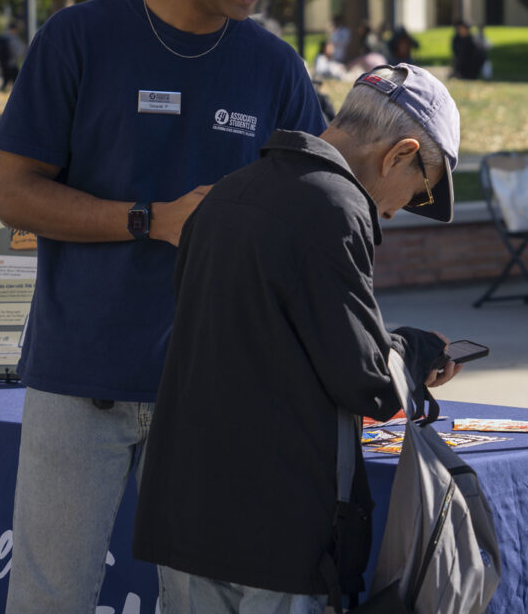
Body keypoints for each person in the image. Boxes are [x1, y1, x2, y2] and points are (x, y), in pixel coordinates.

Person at [0, 0, 328, 613]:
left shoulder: (276, 68)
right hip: (81, 382)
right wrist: (150, 221)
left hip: (215, 391)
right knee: (50, 600)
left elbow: (314, 211)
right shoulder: (79, 37)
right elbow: (14, 195)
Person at [132, 64, 461, 612]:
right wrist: (417, 349)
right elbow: (368, 383)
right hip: (274, 528)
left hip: (185, 515)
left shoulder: (229, 192)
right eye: (420, 187)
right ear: (400, 154)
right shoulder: (333, 205)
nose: (403, 206)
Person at [0, 20, 27, 90]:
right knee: (16, 81)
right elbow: (17, 50)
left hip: (4, 62)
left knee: (6, 79)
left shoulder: (3, 37)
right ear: (15, 29)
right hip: (12, 62)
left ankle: (4, 88)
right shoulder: (12, 38)